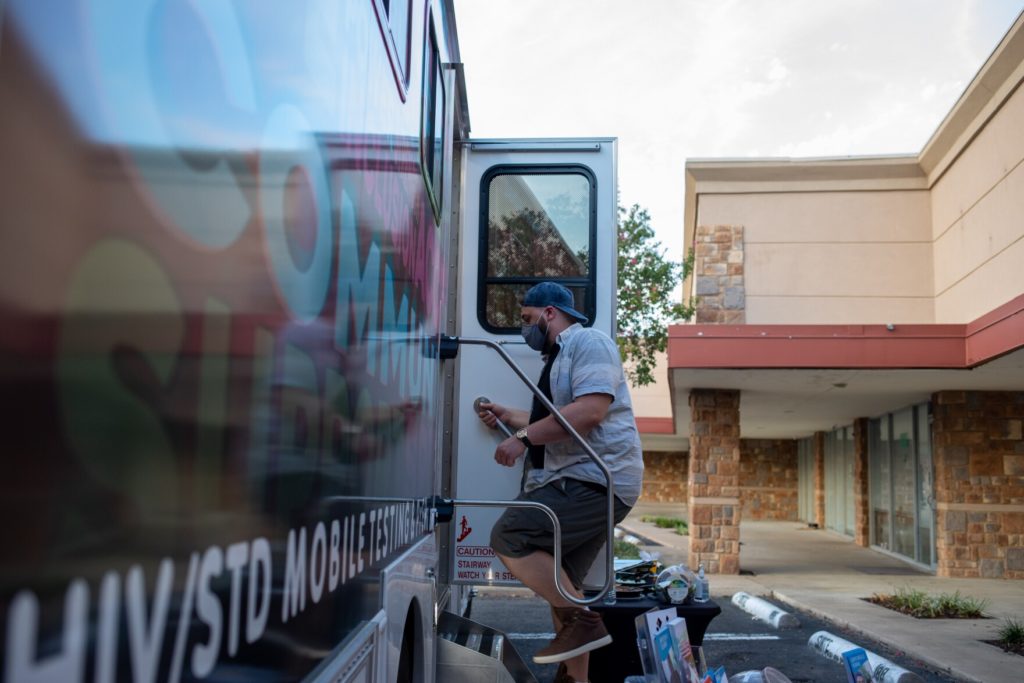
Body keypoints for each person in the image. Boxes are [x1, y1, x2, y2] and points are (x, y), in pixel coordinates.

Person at [477, 282, 644, 683]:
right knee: (564, 583)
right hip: (588, 481)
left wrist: (520, 440)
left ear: (550, 312)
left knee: (510, 537)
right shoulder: (560, 357)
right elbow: (560, 418)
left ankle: (585, 623)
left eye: (526, 318)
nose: (524, 328)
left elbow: (588, 412)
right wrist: (510, 416)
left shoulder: (589, 342)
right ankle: (576, 678)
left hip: (597, 480)